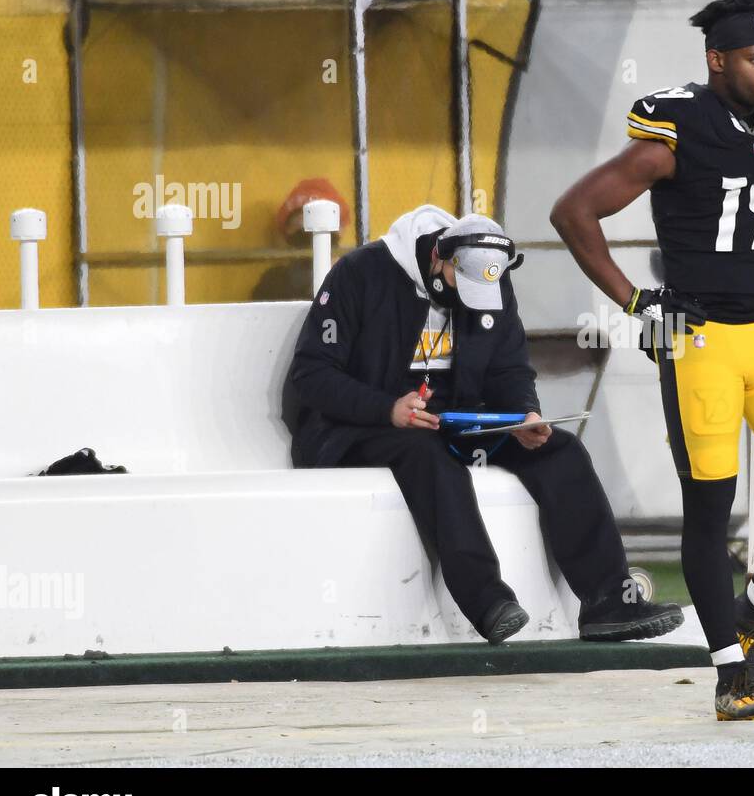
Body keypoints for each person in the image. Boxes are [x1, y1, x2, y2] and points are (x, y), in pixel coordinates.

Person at [550, 0, 754, 720]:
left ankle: (751, 616)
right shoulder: (675, 130)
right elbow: (574, 212)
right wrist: (635, 302)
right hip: (703, 342)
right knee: (709, 515)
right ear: (716, 61)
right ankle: (730, 673)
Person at [283, 204, 683, 646]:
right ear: (439, 258)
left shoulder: (490, 281)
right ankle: (487, 602)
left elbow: (509, 367)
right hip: (360, 426)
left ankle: (610, 602)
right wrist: (387, 409)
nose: (468, 299)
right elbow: (312, 374)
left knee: (559, 449)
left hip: (455, 420)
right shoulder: (361, 273)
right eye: (461, 284)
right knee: (429, 457)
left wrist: (523, 414)